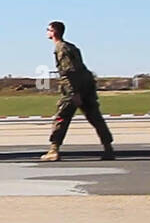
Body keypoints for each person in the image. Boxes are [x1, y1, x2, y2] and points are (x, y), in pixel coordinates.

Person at [42, 22, 115, 161]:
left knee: (61, 118)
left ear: (54, 32)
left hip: (74, 88)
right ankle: (108, 148)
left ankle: (54, 149)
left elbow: (68, 72)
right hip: (86, 86)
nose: (47, 32)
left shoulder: (61, 48)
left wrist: (73, 93)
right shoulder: (72, 47)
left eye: (48, 30)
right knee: (96, 118)